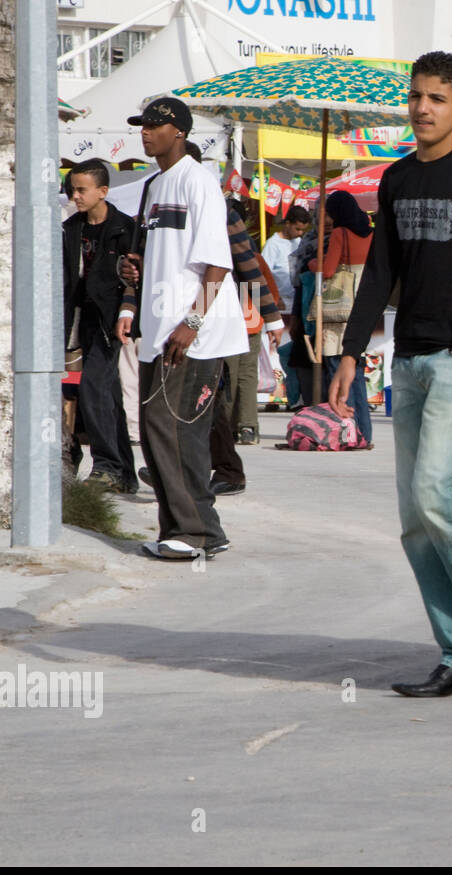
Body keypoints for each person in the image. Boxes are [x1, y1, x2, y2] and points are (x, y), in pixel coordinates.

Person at [328, 51, 452, 696]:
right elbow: (381, 270)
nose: (422, 108)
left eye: (437, 99)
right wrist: (353, 351)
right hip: (407, 360)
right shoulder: (397, 178)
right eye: (415, 97)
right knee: (415, 518)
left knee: (438, 495)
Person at [118, 97, 245, 560]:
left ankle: (199, 534)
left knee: (177, 429)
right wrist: (136, 269)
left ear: (181, 132)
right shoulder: (153, 187)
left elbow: (217, 264)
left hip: (194, 332)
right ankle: (181, 529)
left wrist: (191, 323)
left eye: (155, 125)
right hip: (158, 328)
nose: (146, 132)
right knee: (156, 431)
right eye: (142, 125)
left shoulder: (200, 182)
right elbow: (158, 255)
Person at [61, 158, 138, 494]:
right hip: (79, 318)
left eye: (81, 189)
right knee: (106, 395)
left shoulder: (124, 228)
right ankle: (124, 474)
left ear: (102, 192)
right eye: (71, 189)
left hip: (110, 321)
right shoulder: (70, 227)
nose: (75, 196)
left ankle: (106, 466)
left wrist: (126, 312)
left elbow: (134, 278)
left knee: (94, 388)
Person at [311, 190, 374, 446]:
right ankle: (365, 433)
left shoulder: (340, 234)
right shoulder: (372, 233)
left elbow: (327, 271)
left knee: (340, 369)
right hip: (365, 305)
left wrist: (311, 264)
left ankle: (349, 431)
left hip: (341, 308)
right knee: (357, 370)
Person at [224, 194, 285, 445]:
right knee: (247, 374)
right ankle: (248, 426)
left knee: (227, 374)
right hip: (251, 320)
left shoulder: (215, 251)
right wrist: (273, 319)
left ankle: (224, 428)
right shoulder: (253, 253)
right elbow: (270, 288)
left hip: (226, 323)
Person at [263, 205, 312, 405]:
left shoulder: (300, 243)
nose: (299, 233)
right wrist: (274, 297)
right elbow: (263, 274)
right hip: (279, 307)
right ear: (288, 223)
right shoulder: (272, 245)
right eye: (297, 228)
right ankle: (279, 391)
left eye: (303, 230)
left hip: (298, 305)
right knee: (280, 352)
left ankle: (298, 395)